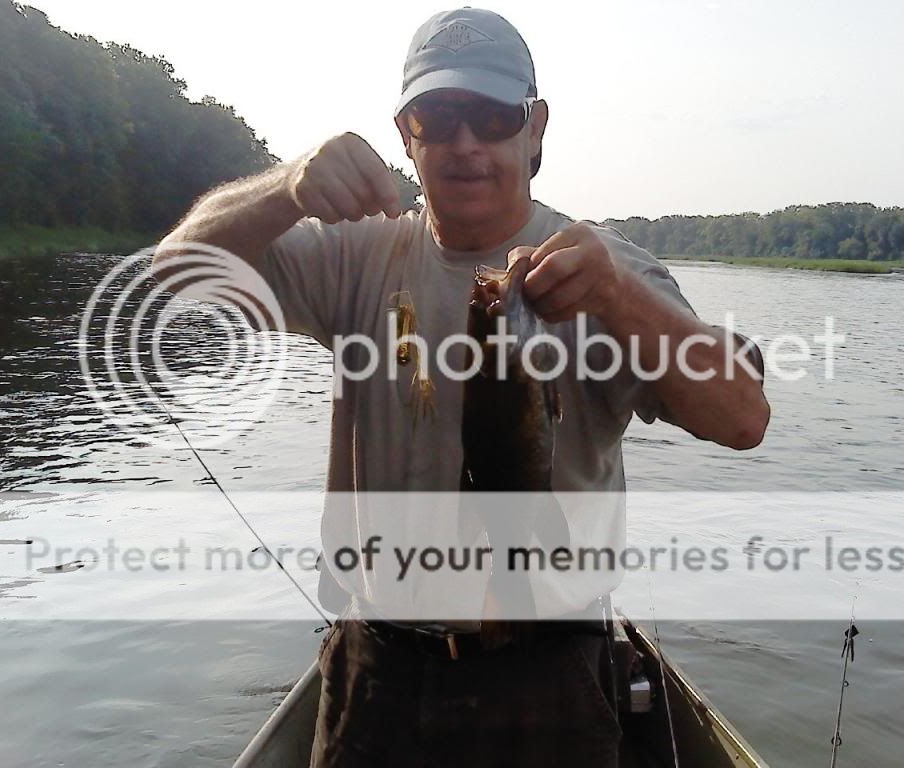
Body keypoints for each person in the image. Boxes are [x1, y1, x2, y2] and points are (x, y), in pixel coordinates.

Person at [154, 8, 769, 767]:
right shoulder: (356, 253)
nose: (465, 142)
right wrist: (286, 188)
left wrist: (619, 299)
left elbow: (742, 420)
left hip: (551, 673)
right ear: (406, 134)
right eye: (437, 116)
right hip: (375, 667)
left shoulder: (609, 272)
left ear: (535, 129)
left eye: (491, 115)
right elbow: (174, 273)